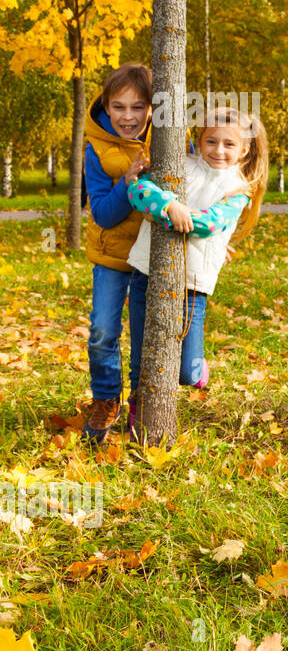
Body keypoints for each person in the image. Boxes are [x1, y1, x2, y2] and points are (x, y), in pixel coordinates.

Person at [124, 107, 269, 439]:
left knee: (187, 373)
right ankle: (137, 411)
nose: (219, 150)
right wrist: (164, 202)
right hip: (146, 272)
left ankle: (198, 369)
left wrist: (165, 207)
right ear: (199, 140)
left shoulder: (239, 190)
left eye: (229, 144)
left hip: (193, 285)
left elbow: (205, 224)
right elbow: (137, 194)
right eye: (211, 141)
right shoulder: (180, 166)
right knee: (140, 355)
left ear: (244, 149)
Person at [81, 63, 154, 443]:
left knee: (146, 334)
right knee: (102, 331)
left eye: (138, 107)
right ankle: (107, 398)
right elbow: (105, 215)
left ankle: (143, 398)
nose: (128, 117)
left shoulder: (170, 140)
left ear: (152, 108)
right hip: (111, 254)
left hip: (151, 257)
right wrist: (129, 181)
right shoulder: (95, 148)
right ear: (106, 108)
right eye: (119, 107)